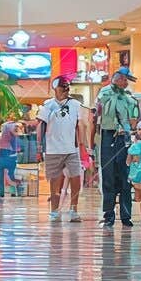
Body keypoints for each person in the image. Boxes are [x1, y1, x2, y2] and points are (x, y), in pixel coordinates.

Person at [94, 65, 140, 228]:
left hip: (124, 139)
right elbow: (99, 111)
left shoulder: (130, 98)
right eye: (123, 79)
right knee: (108, 177)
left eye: (126, 80)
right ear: (117, 78)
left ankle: (126, 216)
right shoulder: (105, 93)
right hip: (107, 137)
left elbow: (134, 121)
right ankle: (108, 216)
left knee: (125, 178)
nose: (125, 82)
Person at [38, 75, 85, 222]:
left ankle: (74, 209)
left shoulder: (76, 104)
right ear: (55, 88)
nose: (65, 90)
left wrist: (83, 146)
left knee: (76, 178)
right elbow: (41, 125)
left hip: (71, 149)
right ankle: (55, 211)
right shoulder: (47, 105)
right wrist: (39, 147)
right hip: (53, 149)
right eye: (62, 87)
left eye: (67, 87)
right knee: (55, 182)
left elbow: (80, 126)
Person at [0, 113, 22, 199]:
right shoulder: (12, 125)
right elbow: (15, 135)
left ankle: (1, 193)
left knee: (1, 173)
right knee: (11, 174)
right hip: (10, 151)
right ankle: (15, 190)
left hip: (3, 151)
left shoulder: (5, 126)